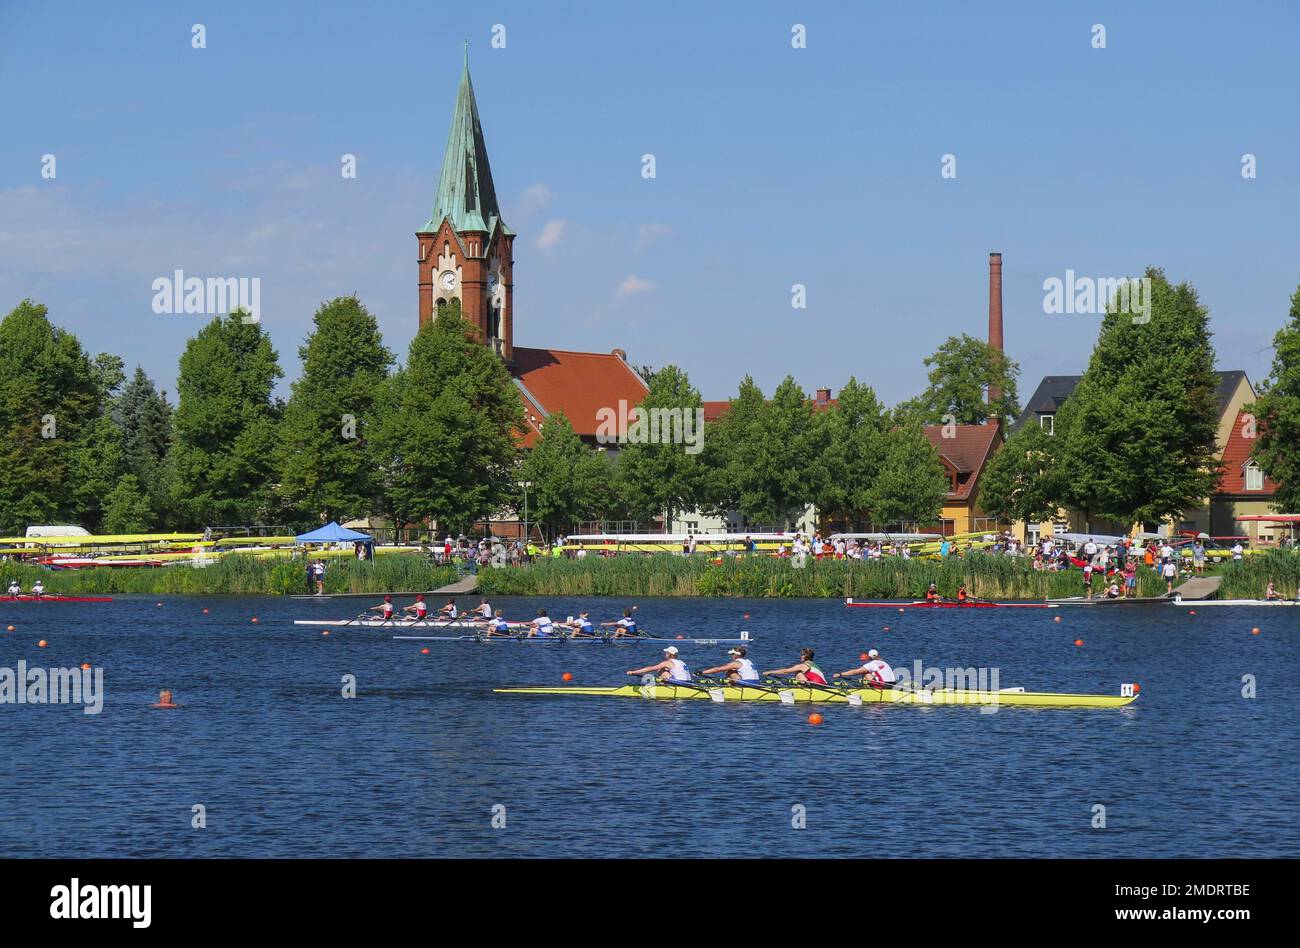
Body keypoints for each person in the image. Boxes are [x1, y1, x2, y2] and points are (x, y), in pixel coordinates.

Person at [762, 648, 827, 685]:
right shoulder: (814, 664)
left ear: (806, 656)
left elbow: (785, 671)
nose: (800, 656)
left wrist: (769, 672)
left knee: (797, 673)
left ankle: (802, 689)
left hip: (817, 686)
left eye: (802, 655)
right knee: (798, 674)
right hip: (823, 684)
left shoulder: (802, 666)